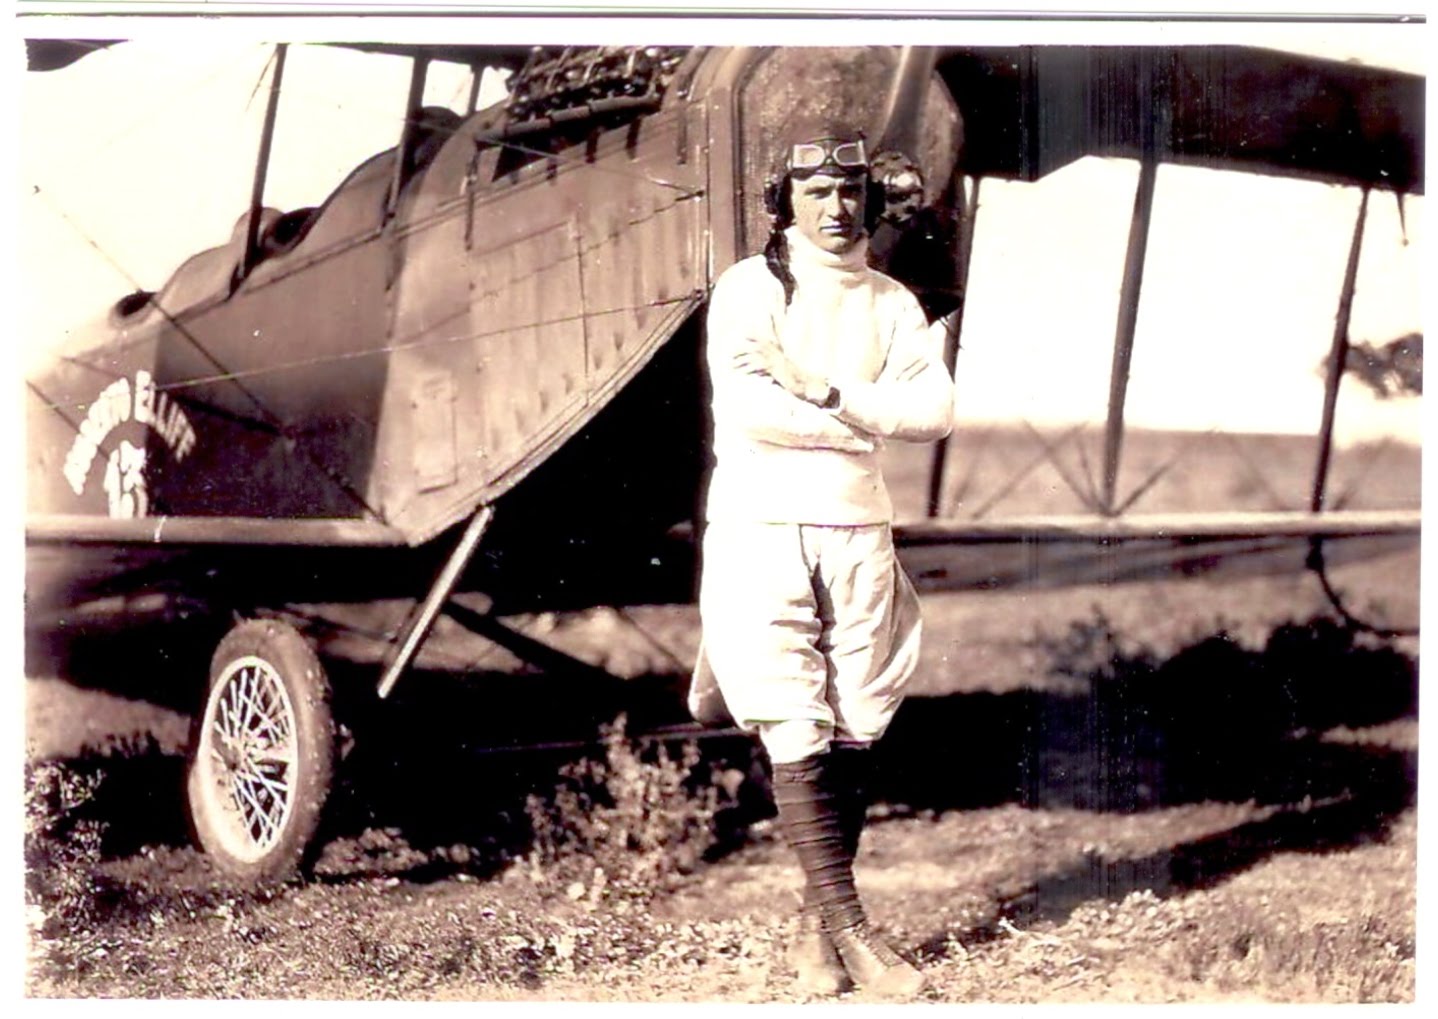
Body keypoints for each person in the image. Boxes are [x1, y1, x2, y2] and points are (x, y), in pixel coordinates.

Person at [694, 117, 955, 998]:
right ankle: (855, 933)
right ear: (786, 201)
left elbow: (936, 411)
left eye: (850, 190)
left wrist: (827, 389)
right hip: (763, 524)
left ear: (869, 199)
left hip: (858, 527)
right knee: (793, 720)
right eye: (815, 191)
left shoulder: (892, 303)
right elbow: (750, 409)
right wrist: (865, 421)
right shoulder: (748, 289)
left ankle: (816, 934)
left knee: (856, 720)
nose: (836, 207)